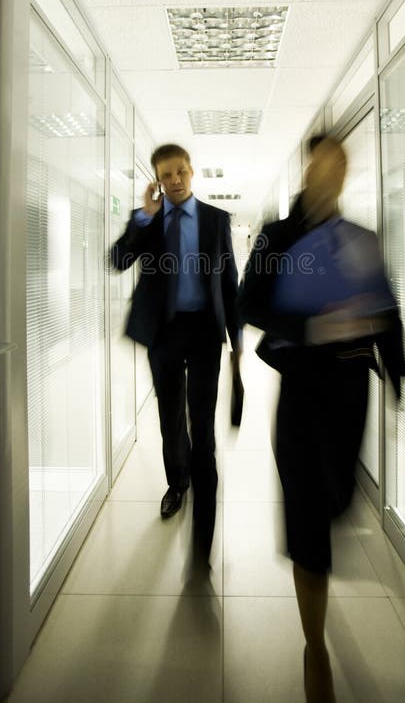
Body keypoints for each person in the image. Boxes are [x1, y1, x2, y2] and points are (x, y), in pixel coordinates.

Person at [237, 135, 405, 702]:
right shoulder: (278, 235)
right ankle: (316, 646)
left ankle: (319, 554)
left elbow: (387, 308)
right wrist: (309, 328)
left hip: (350, 393)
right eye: (319, 163)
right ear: (308, 171)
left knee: (335, 502)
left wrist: (397, 371)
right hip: (302, 392)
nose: (329, 171)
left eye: (339, 163)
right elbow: (248, 303)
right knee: (309, 517)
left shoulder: (361, 240)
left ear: (345, 172)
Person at [110, 143, 241, 572]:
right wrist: (143, 217)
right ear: (158, 180)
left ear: (191, 170)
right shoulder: (147, 222)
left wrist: (237, 338)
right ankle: (176, 484)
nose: (176, 180)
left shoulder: (216, 220)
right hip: (164, 336)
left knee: (201, 428)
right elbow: (117, 260)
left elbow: (229, 280)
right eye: (167, 175)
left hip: (204, 333)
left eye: (181, 171)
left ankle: (204, 532)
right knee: (170, 420)